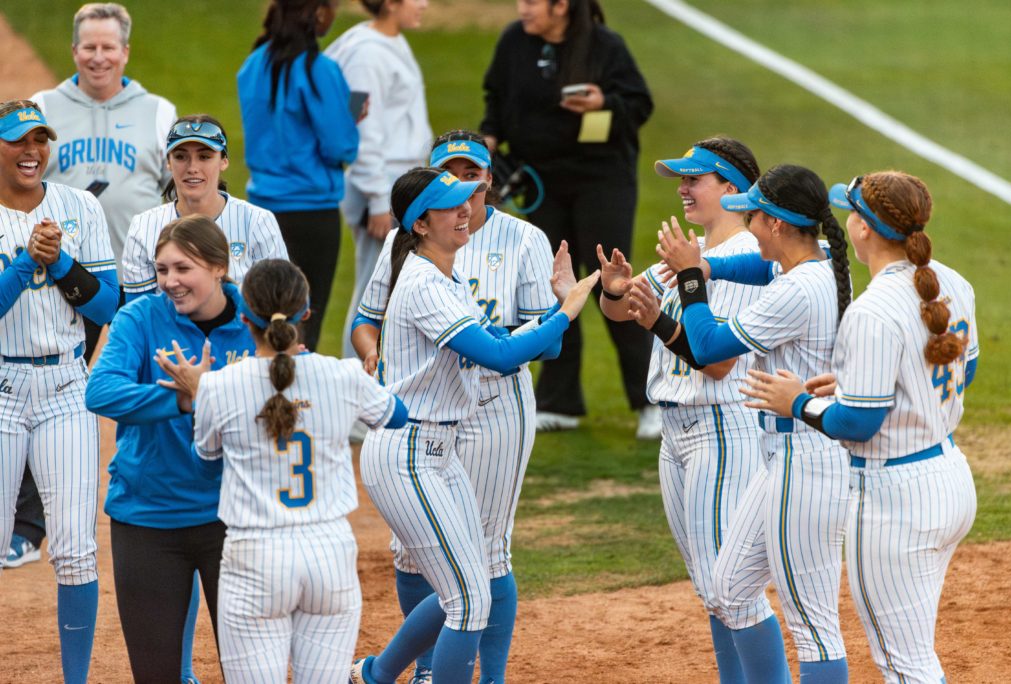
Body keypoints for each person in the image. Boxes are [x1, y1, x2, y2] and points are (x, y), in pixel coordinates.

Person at [350, 167, 598, 684]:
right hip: (408, 453)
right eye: (450, 204)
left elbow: (511, 352)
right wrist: (569, 311)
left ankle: (373, 675)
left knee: (471, 585)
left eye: (467, 199)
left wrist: (556, 302)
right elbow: (500, 354)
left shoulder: (449, 276)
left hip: (437, 452)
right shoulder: (422, 283)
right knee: (466, 600)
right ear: (419, 224)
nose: (466, 210)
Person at [739, 171, 978, 683]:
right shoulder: (953, 282)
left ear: (864, 229)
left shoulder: (871, 311)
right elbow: (959, 369)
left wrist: (797, 401)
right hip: (950, 480)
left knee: (902, 662)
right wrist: (858, 382)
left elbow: (858, 424)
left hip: (896, 500)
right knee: (915, 652)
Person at [147, 259, 407, 682]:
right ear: (306, 313)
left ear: (245, 316)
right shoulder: (341, 375)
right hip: (329, 554)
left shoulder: (219, 385)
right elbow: (397, 416)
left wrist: (201, 389)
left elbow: (204, 461)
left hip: (254, 556)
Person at [598, 137, 785, 682]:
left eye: (694, 179)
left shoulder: (746, 261)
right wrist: (613, 291)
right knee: (712, 587)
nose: (682, 188)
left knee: (734, 588)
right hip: (676, 434)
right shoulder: (687, 258)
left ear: (731, 189)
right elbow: (622, 307)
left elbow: (719, 362)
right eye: (680, 178)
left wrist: (658, 313)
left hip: (722, 430)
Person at [657, 164, 854, 682]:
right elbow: (761, 270)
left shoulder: (798, 290)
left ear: (779, 225)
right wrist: (711, 268)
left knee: (813, 626)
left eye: (754, 218)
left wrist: (691, 277)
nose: (746, 227)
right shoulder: (820, 265)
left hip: (809, 463)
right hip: (783, 458)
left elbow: (707, 345)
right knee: (728, 589)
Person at [15, 0, 176, 581]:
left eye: (110, 46)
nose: (99, 56)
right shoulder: (47, 109)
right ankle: (30, 524)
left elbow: (172, 191)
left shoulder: (158, 111)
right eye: (89, 46)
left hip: (133, 275)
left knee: (139, 379)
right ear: (74, 49)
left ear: (125, 51)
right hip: (61, 277)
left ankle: (156, 487)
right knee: (49, 380)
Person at [85, 215, 256, 681]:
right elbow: (99, 392)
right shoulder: (139, 317)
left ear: (219, 267)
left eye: (184, 269)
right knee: (156, 673)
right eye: (162, 270)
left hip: (235, 520)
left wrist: (214, 391)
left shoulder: (254, 319)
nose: (170, 282)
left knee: (250, 670)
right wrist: (182, 397)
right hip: (148, 518)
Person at [481, 0, 656, 437]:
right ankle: (561, 401)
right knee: (551, 284)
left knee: (611, 282)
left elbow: (639, 104)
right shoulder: (513, 41)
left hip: (603, 181)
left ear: (562, 6)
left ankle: (649, 399)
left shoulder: (604, 45)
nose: (521, 8)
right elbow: (496, 99)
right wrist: (487, 145)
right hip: (540, 182)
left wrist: (604, 102)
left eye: (531, 2)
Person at [0, 99, 119, 684]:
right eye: (18, 140)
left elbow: (108, 304)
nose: (31, 151)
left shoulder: (79, 207)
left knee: (75, 548)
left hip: (68, 386)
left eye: (40, 140)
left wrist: (64, 262)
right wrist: (24, 267)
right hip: (0, 387)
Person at [238, 0, 360, 351]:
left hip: (261, 210)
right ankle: (301, 402)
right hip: (312, 214)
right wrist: (351, 116)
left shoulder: (252, 65)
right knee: (308, 320)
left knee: (264, 315)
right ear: (318, 12)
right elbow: (340, 147)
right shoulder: (319, 70)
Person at [324, 0, 432, 360]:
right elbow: (362, 129)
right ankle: (357, 392)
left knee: (393, 288)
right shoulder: (366, 54)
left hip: (400, 183)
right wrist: (376, 199)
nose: (424, 4)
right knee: (375, 289)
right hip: (384, 188)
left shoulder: (390, 41)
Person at [122, 114, 289, 301]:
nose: (192, 167)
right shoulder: (143, 226)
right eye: (180, 156)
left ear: (223, 161)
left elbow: (279, 300)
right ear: (168, 162)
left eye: (204, 156)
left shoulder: (258, 222)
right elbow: (138, 313)